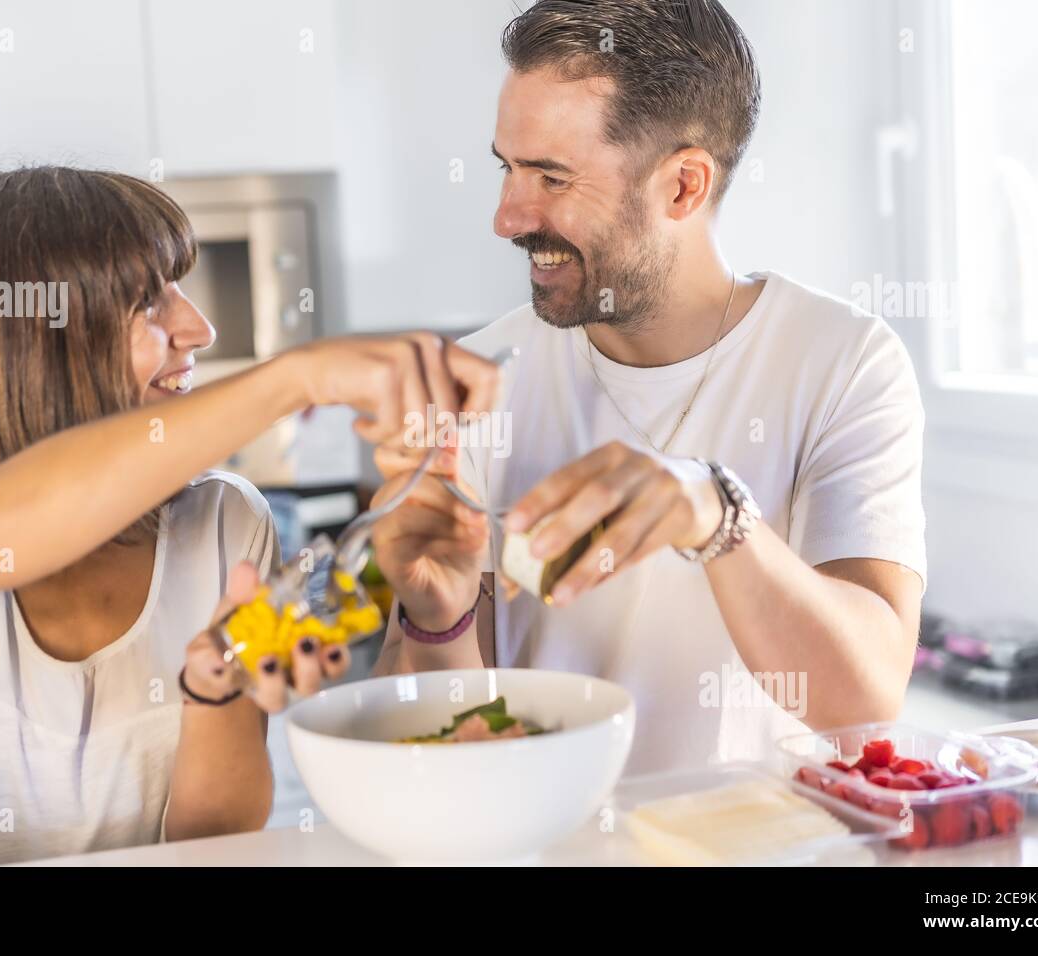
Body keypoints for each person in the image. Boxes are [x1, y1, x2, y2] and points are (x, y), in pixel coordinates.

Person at [0, 166, 496, 865]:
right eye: (147, 302)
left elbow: (211, 841)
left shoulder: (222, 521)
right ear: (30, 337)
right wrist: (298, 376)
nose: (199, 327)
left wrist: (215, 692)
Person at [369, 0, 926, 773]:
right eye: (507, 166)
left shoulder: (842, 361)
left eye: (550, 176)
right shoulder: (477, 383)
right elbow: (433, 760)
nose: (506, 216)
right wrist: (437, 619)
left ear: (683, 188)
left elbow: (864, 695)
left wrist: (715, 511)